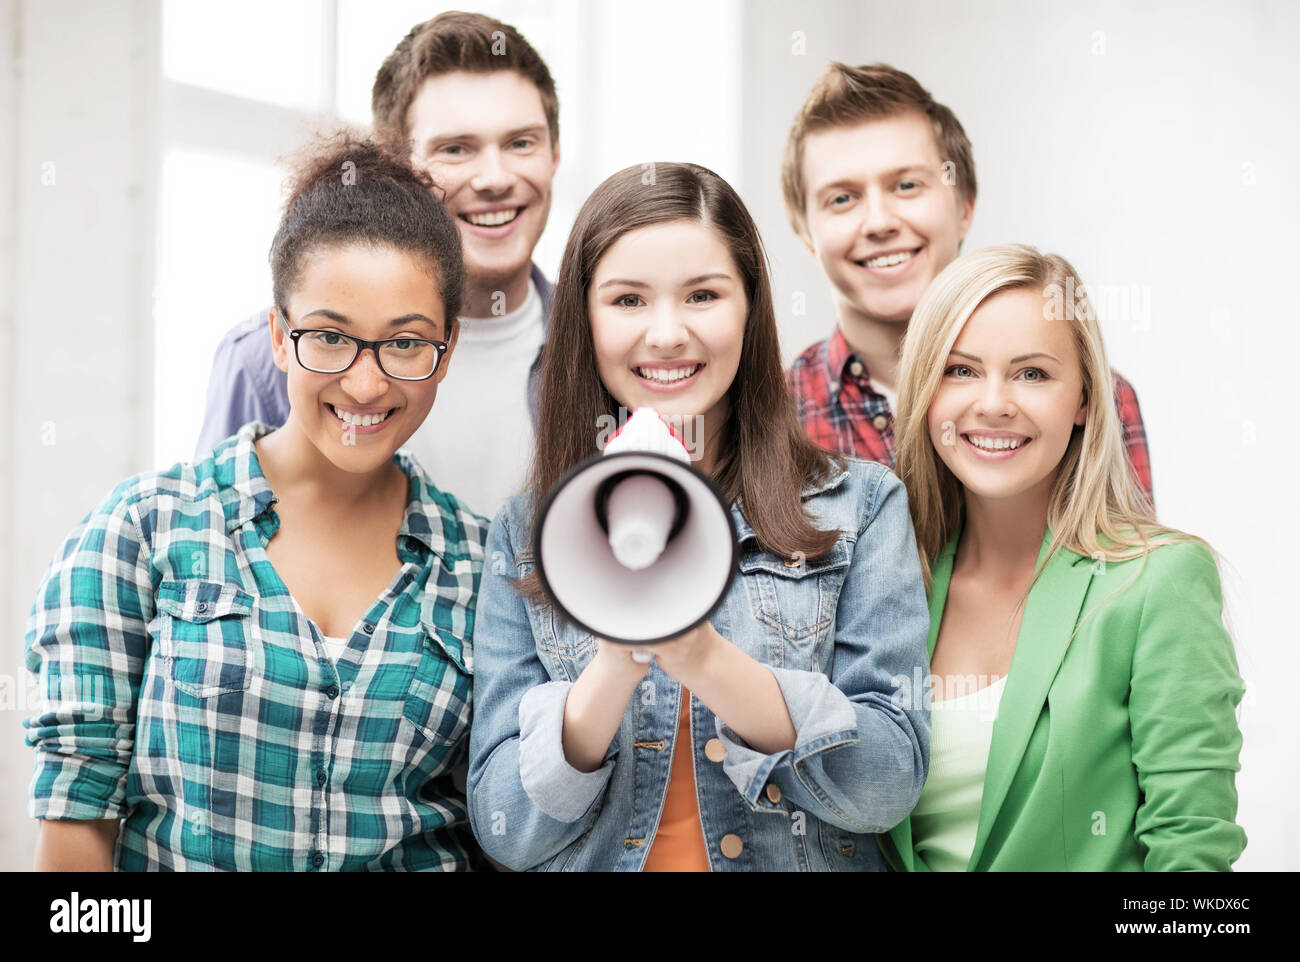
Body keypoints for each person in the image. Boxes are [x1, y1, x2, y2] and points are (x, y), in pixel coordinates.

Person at [24, 136, 488, 871]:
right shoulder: (140, 531)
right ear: (276, 334)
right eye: (329, 337)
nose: (366, 385)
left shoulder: (479, 566)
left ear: (448, 346)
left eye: (405, 344)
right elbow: (76, 827)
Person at [466, 162, 931, 872]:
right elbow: (506, 828)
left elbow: (888, 782)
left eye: (703, 295)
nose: (667, 333)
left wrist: (703, 659)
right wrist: (619, 657)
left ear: (750, 308)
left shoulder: (860, 507)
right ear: (583, 318)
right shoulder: (526, 535)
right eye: (627, 300)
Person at [880, 244, 1246, 871]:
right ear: (924, 391)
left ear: (1083, 400)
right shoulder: (886, 582)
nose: (993, 402)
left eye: (1032, 374)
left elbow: (1194, 861)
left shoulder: (1159, 581)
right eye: (961, 370)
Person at [196, 11, 561, 519]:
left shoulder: (602, 343)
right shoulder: (262, 355)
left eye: (521, 143)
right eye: (456, 149)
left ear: (554, 154)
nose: (495, 178)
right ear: (396, 163)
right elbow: (215, 536)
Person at [781, 63, 1155, 509]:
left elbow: (1129, 568)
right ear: (807, 235)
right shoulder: (776, 418)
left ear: (964, 207)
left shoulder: (1092, 401)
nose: (879, 222)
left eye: (907, 185)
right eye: (842, 198)